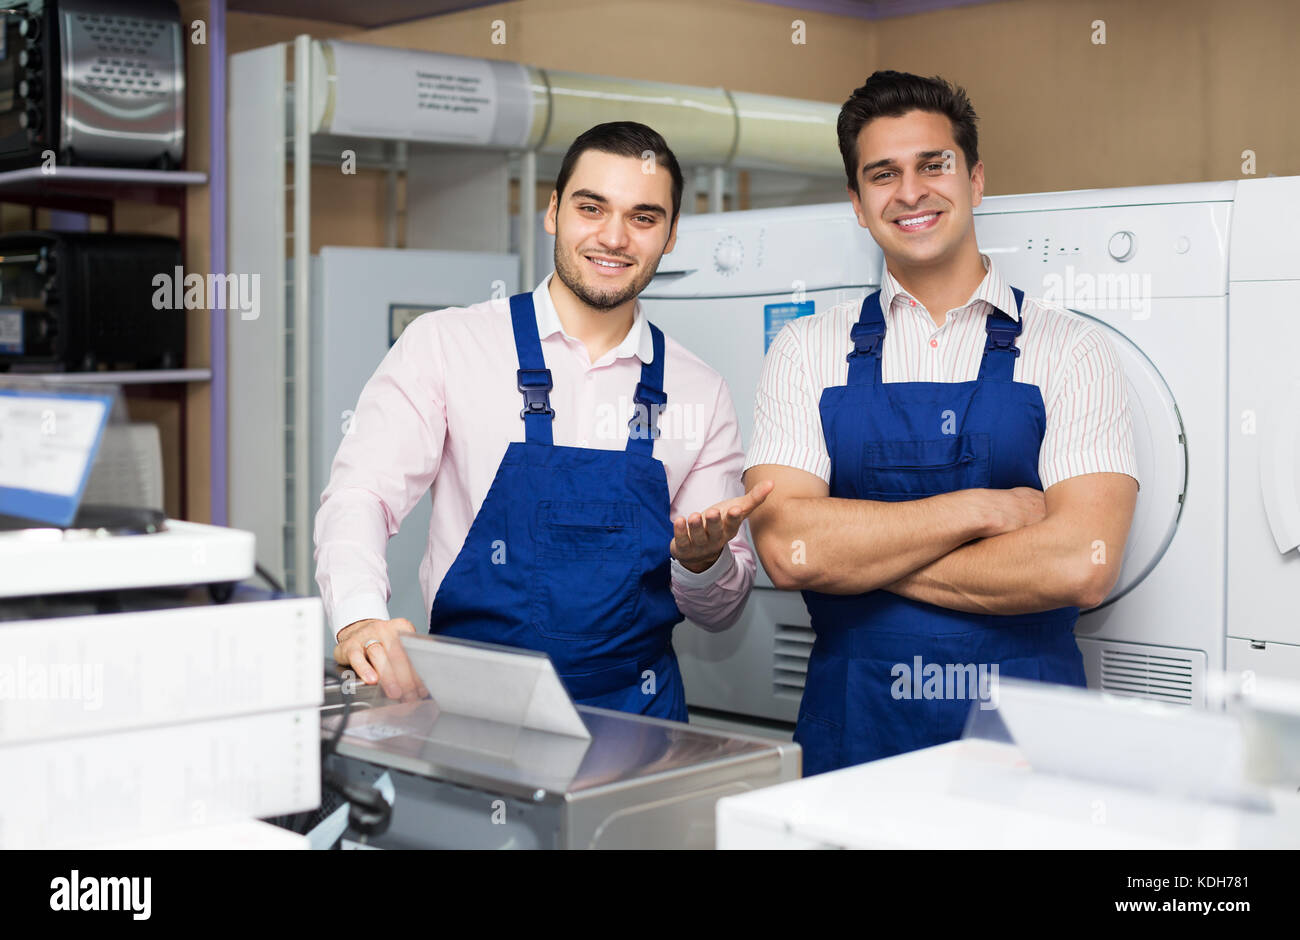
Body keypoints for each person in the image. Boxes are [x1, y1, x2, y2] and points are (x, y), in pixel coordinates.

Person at [745, 71, 1140, 775]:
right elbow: (791, 552)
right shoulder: (805, 350)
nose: (911, 191)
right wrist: (980, 509)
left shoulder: (1071, 348)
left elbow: (1083, 563)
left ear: (976, 179)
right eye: (883, 174)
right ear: (858, 205)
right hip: (855, 733)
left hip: (1029, 747)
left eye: (935, 164)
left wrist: (861, 554)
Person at [315, 121, 771, 721]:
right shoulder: (448, 345)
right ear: (553, 211)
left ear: (671, 233)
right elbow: (361, 494)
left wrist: (702, 562)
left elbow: (721, 612)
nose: (614, 237)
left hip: (638, 718)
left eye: (643, 216)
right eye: (591, 207)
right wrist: (359, 616)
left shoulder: (700, 391)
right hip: (474, 708)